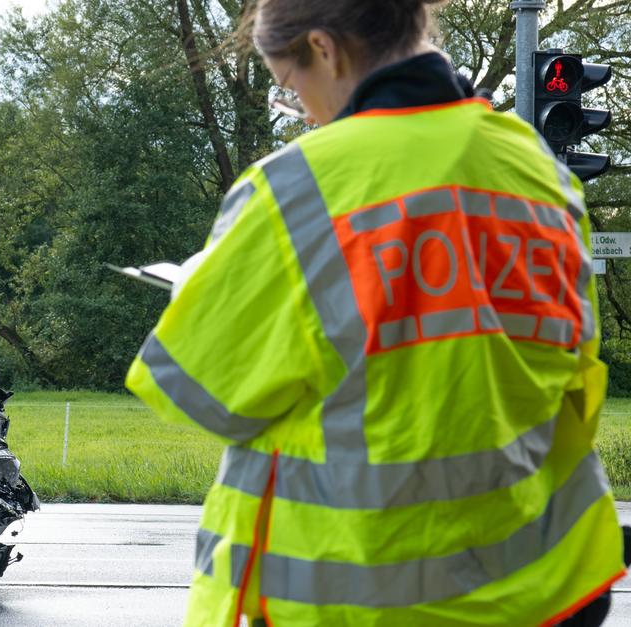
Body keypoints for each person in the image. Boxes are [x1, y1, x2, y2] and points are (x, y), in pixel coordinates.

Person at [124, 0, 624, 624]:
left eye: (290, 85)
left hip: (358, 601)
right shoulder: (540, 174)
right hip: (542, 583)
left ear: (324, 49)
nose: (302, 110)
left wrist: (204, 288)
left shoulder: (299, 190)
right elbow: (572, 367)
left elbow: (203, 393)